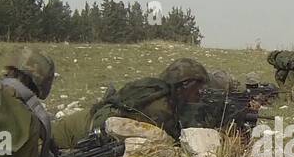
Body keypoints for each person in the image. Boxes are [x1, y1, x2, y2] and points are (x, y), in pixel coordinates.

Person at [52, 57, 215, 150]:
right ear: (184, 86)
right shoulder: (160, 107)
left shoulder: (161, 94)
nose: (199, 96)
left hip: (81, 125)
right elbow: (172, 142)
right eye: (197, 90)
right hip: (73, 132)